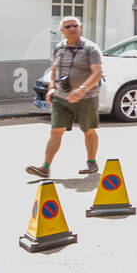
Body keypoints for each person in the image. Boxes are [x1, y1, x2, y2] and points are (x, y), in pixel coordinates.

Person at [26, 16, 103, 178]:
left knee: (88, 130)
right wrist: (51, 88)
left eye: (75, 25)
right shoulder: (59, 48)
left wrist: (82, 89)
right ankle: (45, 167)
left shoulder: (90, 48)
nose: (72, 28)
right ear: (62, 30)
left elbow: (97, 72)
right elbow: (54, 70)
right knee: (56, 131)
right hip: (62, 96)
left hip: (86, 97)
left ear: (80, 27)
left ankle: (92, 163)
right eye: (68, 26)